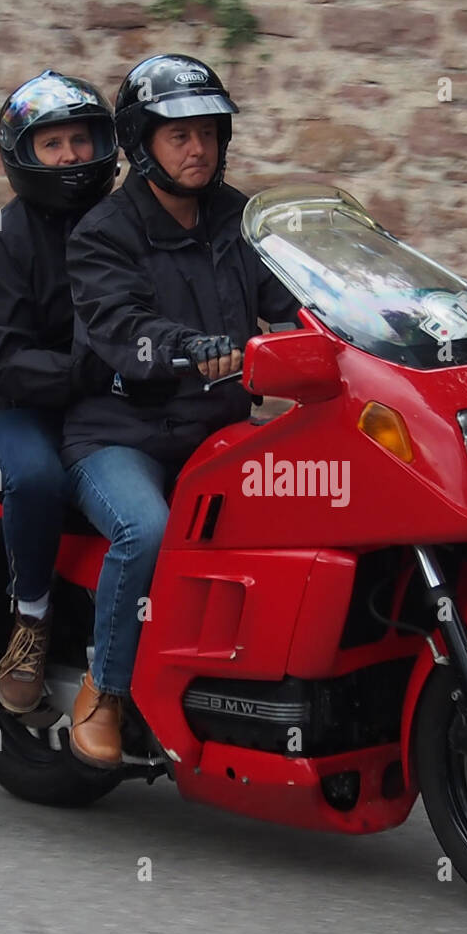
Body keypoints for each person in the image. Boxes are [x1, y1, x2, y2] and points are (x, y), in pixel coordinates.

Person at [62, 53, 299, 767]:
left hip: (213, 431)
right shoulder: (103, 232)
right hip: (120, 434)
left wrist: (359, 323)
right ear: (143, 144)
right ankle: (105, 690)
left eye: (209, 133)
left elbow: (296, 293)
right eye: (180, 135)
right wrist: (192, 347)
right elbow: (122, 326)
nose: (199, 148)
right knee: (146, 529)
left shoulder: (239, 218)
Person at [0, 69, 118, 714]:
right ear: (24, 154)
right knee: (35, 476)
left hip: (103, 402)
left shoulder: (125, 225)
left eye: (80, 140)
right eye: (53, 144)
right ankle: (31, 619)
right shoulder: (3, 238)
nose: (71, 156)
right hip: (10, 406)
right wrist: (88, 373)